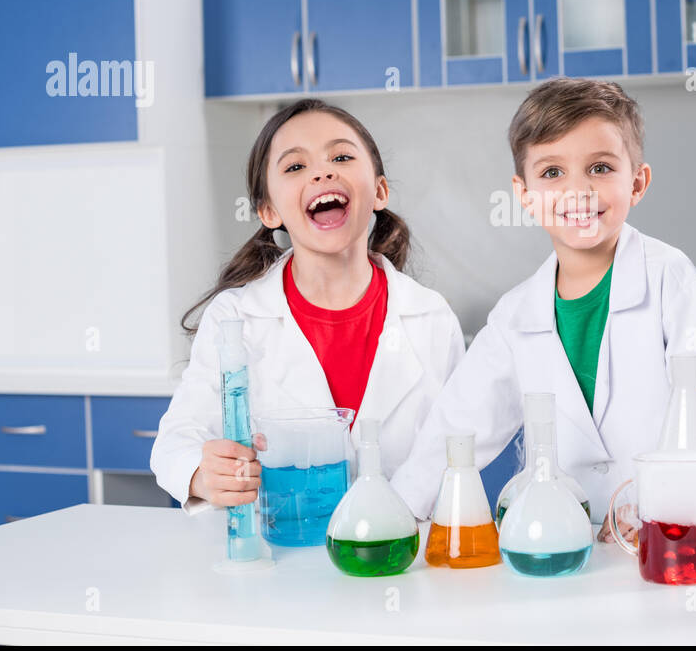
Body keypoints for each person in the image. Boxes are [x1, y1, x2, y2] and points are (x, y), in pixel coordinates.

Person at [388, 77, 696, 538]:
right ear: (524, 194)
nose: (578, 191)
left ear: (637, 183)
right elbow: (456, 428)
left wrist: (656, 509)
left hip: (682, 537)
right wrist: (393, 516)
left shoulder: (672, 281)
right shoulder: (515, 317)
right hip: (584, 548)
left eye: (599, 168)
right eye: (553, 173)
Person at [151, 99, 464, 513]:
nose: (322, 171)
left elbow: (460, 452)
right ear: (269, 211)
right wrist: (201, 473)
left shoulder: (431, 317)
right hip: (279, 559)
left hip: (398, 561)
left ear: (380, 191)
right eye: (295, 167)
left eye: (341, 156)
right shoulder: (235, 318)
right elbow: (176, 439)